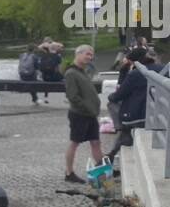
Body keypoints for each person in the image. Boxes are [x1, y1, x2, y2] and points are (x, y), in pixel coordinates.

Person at [107, 48, 157, 159]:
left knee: (111, 103)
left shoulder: (136, 74)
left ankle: (121, 128)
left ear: (135, 62)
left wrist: (110, 96)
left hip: (139, 116)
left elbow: (119, 95)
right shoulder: (163, 69)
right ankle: (113, 153)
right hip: (160, 113)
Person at [63, 45, 103, 184]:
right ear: (78, 54)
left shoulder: (82, 71)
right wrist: (88, 108)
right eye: (87, 54)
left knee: (96, 142)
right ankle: (69, 173)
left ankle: (102, 170)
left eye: (91, 55)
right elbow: (73, 97)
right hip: (79, 114)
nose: (90, 57)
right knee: (74, 142)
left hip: (90, 114)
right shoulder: (71, 73)